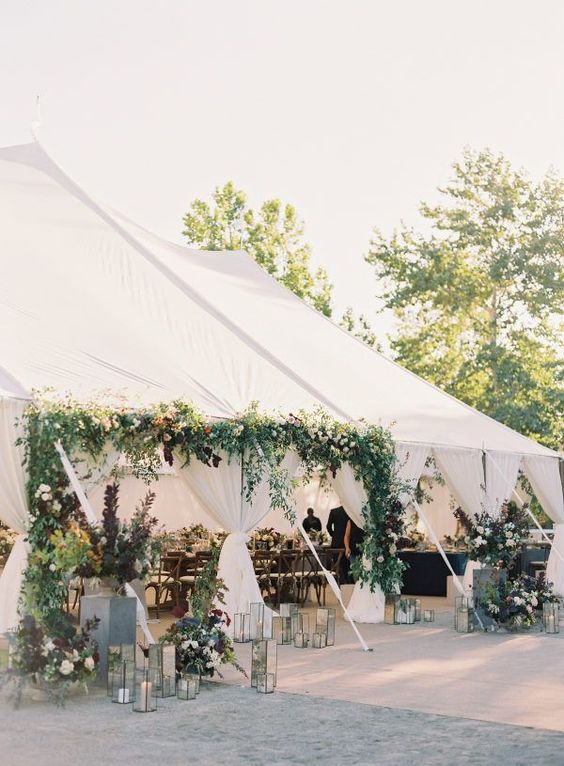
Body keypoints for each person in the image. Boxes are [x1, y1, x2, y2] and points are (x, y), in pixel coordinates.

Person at [344, 518, 365, 583]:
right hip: (354, 551)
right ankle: (357, 590)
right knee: (356, 574)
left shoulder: (366, 520)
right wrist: (347, 547)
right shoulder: (350, 521)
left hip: (365, 552)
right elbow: (346, 536)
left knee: (365, 573)